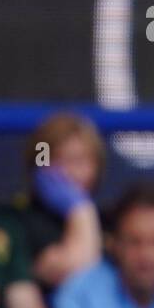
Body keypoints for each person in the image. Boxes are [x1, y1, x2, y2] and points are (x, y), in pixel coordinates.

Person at [17, 112, 104, 292]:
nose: (72, 172)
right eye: (60, 161)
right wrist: (80, 208)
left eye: (80, 161)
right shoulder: (21, 223)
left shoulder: (110, 219)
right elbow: (75, 273)